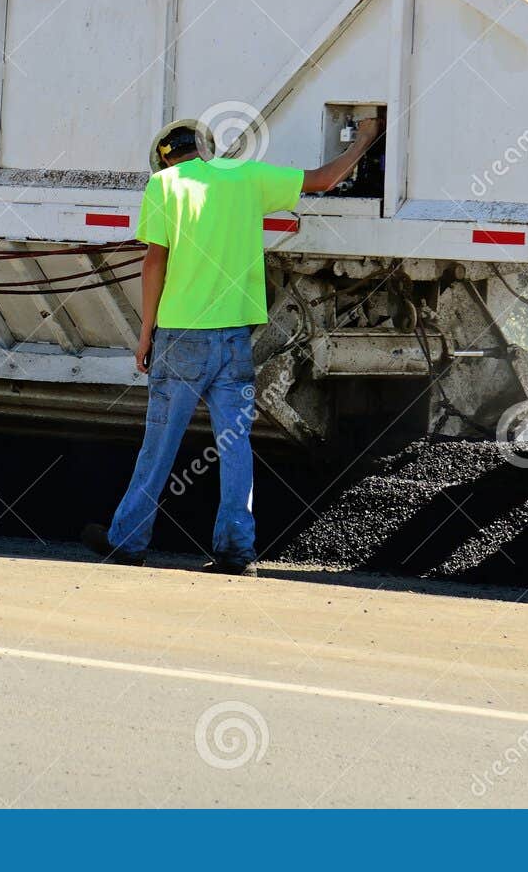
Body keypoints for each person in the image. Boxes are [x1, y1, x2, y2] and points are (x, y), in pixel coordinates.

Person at [81, 115, 386, 575]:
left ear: (164, 160)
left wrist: (146, 333)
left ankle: (128, 540)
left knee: (160, 444)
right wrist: (365, 135)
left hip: (181, 337)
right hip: (235, 339)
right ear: (206, 149)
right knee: (235, 444)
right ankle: (235, 550)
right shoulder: (247, 176)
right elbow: (326, 179)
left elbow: (152, 264)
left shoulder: (165, 187)